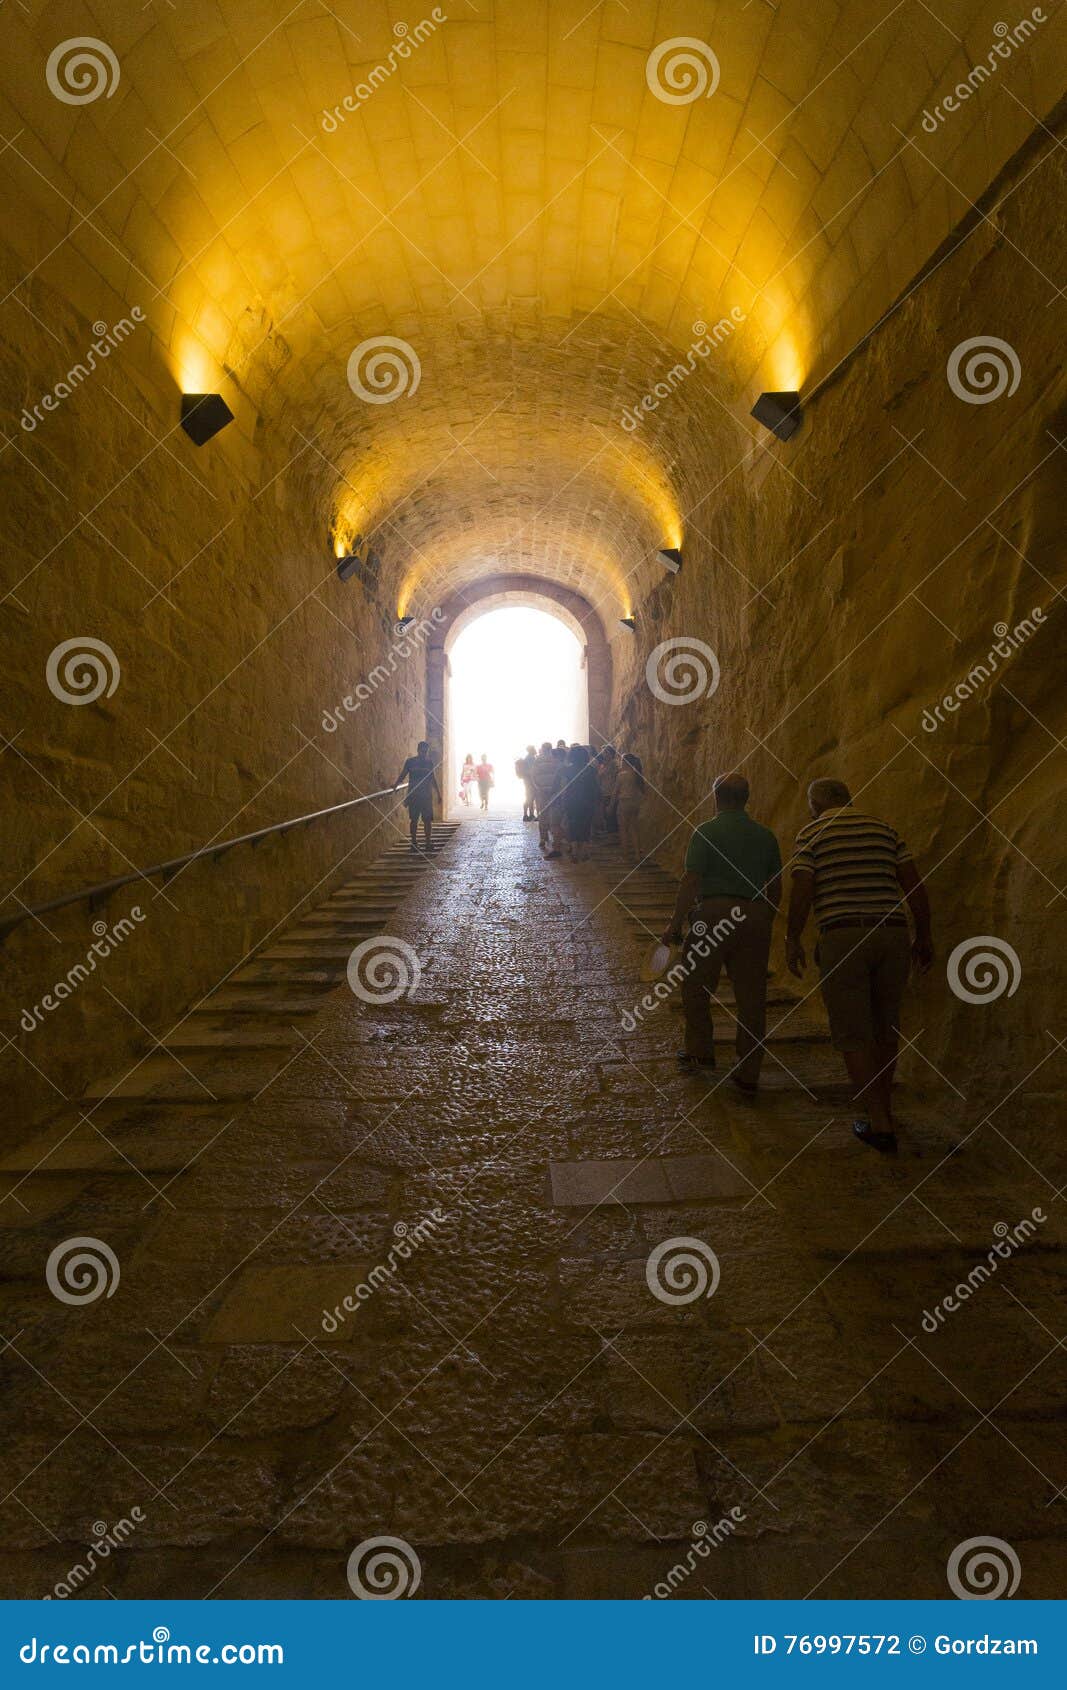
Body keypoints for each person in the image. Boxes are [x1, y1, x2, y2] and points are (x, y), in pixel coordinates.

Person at [786, 778, 932, 1153]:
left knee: (852, 1030)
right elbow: (913, 885)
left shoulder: (812, 833)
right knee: (886, 1026)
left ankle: (879, 1121)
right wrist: (924, 934)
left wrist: (793, 937)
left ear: (815, 805)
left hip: (843, 935)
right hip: (892, 933)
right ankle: (884, 1108)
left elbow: (803, 888)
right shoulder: (884, 830)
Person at [663, 773, 781, 1092]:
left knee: (696, 985)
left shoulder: (706, 831)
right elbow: (775, 884)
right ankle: (748, 1071)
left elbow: (691, 880)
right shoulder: (766, 836)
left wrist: (675, 923)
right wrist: (765, 917)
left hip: (713, 913)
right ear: (746, 798)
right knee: (752, 996)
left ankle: (700, 1052)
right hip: (754, 914)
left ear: (716, 797)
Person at [393, 740, 441, 853]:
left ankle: (427, 843)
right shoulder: (410, 762)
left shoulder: (428, 763)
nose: (424, 753)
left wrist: (438, 794)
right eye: (423, 751)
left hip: (425, 796)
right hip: (415, 796)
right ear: (418, 750)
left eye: (425, 751)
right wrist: (395, 785)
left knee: (426, 820)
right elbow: (403, 774)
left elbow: (432, 778)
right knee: (414, 819)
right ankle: (414, 843)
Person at [562, 743, 600, 862]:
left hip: (571, 801)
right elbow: (595, 787)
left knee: (573, 824)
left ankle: (574, 851)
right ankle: (584, 851)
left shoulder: (567, 770)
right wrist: (597, 801)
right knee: (585, 825)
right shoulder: (591, 770)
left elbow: (564, 787)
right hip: (587, 801)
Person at [530, 742, 563, 857]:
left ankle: (543, 838)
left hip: (542, 791)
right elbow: (559, 775)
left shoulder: (538, 760)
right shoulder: (556, 760)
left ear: (543, 749)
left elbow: (533, 776)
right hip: (554, 792)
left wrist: (538, 787)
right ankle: (555, 839)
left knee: (542, 814)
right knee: (554, 816)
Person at [616, 752, 645, 864]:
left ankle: (625, 856)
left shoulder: (621, 775)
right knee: (634, 829)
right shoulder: (637, 774)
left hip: (624, 803)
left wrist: (611, 805)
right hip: (635, 803)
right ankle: (637, 855)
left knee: (623, 830)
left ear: (625, 762)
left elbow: (615, 791)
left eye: (621, 760)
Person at [596, 746, 619, 835]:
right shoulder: (603, 765)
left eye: (605, 752)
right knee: (606, 814)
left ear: (610, 753)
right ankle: (609, 832)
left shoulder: (614, 763)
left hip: (611, 791)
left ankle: (613, 833)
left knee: (611, 813)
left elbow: (616, 777)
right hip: (604, 791)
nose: (603, 754)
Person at [516, 744, 538, 821]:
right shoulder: (531, 758)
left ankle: (526, 815)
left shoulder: (527, 757)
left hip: (527, 780)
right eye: (534, 748)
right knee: (531, 798)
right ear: (531, 750)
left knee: (528, 797)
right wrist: (534, 782)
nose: (535, 750)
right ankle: (531, 815)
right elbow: (532, 770)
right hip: (530, 780)